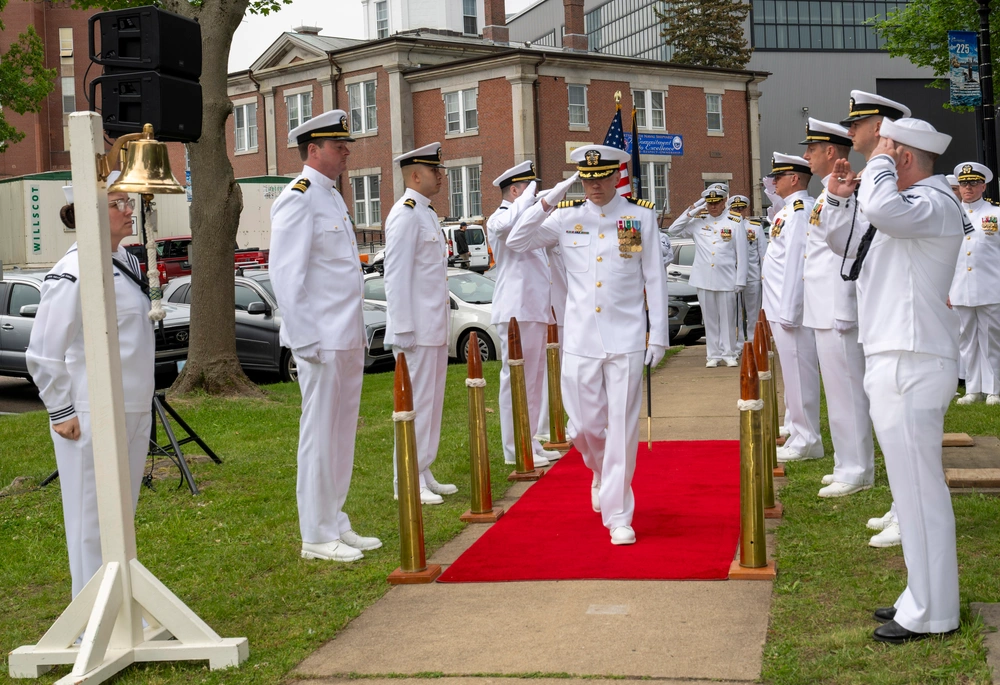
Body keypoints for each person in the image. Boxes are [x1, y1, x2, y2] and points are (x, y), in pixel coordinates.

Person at [825, 117, 964, 644]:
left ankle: (932, 611)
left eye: (883, 151)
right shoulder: (909, 206)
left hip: (913, 357)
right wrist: (839, 199)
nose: (872, 158)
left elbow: (882, 210)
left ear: (904, 158)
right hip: (896, 352)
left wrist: (879, 166)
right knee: (909, 492)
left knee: (920, 491)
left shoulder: (933, 202)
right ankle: (918, 596)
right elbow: (849, 247)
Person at [506, 144, 669, 546]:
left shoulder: (638, 217)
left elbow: (653, 277)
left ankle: (619, 514)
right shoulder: (567, 217)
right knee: (583, 427)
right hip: (580, 338)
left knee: (622, 428)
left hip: (626, 336)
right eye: (587, 178)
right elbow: (517, 240)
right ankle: (598, 470)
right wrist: (550, 198)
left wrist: (658, 334)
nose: (594, 186)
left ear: (616, 176)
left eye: (601, 178)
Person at [26, 172, 154, 599]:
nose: (129, 210)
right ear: (92, 211)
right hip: (89, 411)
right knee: (90, 522)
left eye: (128, 202)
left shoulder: (125, 261)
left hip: (132, 405)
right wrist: (61, 412)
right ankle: (89, 618)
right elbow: (43, 351)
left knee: (122, 517)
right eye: (119, 203)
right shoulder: (74, 269)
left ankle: (120, 608)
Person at [269, 109, 382, 562]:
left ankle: (335, 519)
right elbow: (286, 275)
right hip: (320, 340)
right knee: (319, 434)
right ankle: (315, 534)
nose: (347, 151)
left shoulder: (331, 197)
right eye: (339, 146)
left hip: (345, 335)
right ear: (313, 150)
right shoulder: (298, 198)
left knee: (341, 434)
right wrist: (304, 340)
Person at [824, 89, 912, 547]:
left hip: (902, 322)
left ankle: (909, 511)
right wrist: (839, 199)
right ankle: (902, 503)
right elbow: (846, 248)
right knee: (889, 420)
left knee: (905, 424)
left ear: (879, 129)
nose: (850, 132)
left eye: (856, 124)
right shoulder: (870, 182)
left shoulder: (901, 183)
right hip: (877, 318)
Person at [799, 118, 875, 497]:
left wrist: (845, 310)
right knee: (838, 391)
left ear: (831, 152)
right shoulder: (825, 194)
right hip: (822, 307)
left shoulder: (851, 191)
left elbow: (850, 251)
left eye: (811, 149)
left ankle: (858, 468)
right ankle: (846, 462)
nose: (805, 156)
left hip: (838, 307)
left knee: (848, 390)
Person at [383, 142, 455, 505]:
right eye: (433, 170)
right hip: (416, 331)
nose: (440, 176)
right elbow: (395, 276)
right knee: (414, 405)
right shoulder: (405, 214)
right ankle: (406, 478)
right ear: (414, 176)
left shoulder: (426, 213)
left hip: (433, 327)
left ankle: (423, 467)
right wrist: (403, 329)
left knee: (431, 405)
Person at [487, 160, 561, 467]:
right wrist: (530, 201)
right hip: (516, 308)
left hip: (533, 308)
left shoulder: (525, 218)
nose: (534, 195)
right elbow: (505, 228)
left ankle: (528, 440)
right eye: (529, 189)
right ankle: (515, 448)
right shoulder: (500, 217)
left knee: (532, 380)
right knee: (515, 379)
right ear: (516, 191)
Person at [760, 153, 823, 463]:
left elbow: (798, 262)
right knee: (792, 372)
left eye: (779, 177)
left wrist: (790, 310)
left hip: (790, 308)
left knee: (799, 373)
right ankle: (797, 431)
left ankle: (807, 439)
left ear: (795, 178)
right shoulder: (789, 209)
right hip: (779, 304)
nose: (773, 181)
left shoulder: (799, 211)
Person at [667, 187, 747, 367]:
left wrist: (741, 280)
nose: (713, 207)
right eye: (710, 203)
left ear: (724, 201)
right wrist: (694, 208)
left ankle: (729, 353)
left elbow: (742, 254)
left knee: (728, 318)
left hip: (726, 278)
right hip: (704, 278)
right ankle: (713, 355)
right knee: (709, 319)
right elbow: (673, 229)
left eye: (716, 203)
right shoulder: (698, 221)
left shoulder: (734, 221)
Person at [950, 162, 1000, 406]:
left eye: (973, 183)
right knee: (966, 340)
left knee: (992, 340)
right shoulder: (950, 214)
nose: (967, 188)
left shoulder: (995, 213)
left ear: (983, 186)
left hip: (991, 286)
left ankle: (994, 389)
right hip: (959, 287)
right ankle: (973, 389)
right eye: (963, 184)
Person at [728, 194, 760, 345]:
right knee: (735, 314)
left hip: (753, 276)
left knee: (754, 312)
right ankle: (739, 342)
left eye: (741, 209)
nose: (738, 212)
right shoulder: (727, 226)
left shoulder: (755, 227)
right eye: (735, 209)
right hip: (732, 277)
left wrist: (764, 278)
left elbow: (762, 254)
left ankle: (754, 341)